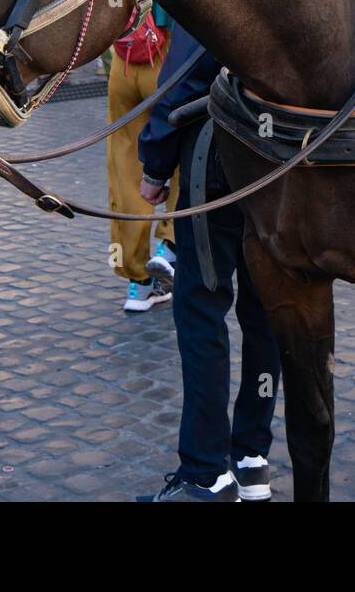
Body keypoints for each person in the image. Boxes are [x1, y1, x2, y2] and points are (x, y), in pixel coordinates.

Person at [141, 26, 282, 503]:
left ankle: (206, 473)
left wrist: (155, 163)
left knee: (201, 311)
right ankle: (251, 459)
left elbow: (182, 77)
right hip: (282, 161)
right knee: (265, 316)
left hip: (216, 158)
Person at [108, 4, 178, 312]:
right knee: (183, 152)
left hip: (124, 56)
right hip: (170, 53)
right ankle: (170, 245)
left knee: (125, 167)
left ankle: (137, 282)